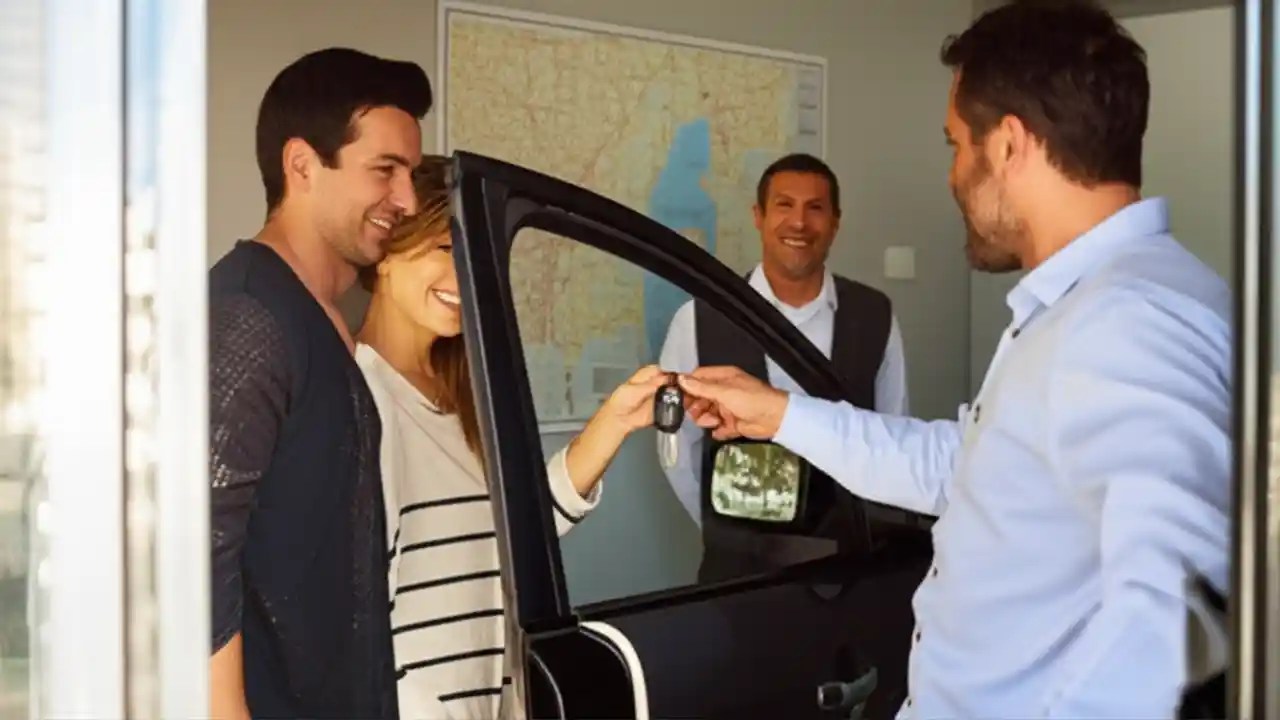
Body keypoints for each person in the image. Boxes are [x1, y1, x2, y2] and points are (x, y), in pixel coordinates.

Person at [676, 1, 1231, 717]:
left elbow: (1185, 630)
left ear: (1008, 146)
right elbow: (957, 466)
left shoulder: (1132, 322)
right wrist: (778, 414)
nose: (953, 175)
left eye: (956, 145)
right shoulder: (1077, 309)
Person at [354, 154, 669, 720]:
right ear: (384, 256)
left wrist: (616, 419)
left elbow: (517, 536)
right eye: (443, 249)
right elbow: (346, 608)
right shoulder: (360, 397)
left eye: (470, 255)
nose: (461, 277)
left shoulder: (460, 392)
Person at [207, 48, 431, 719]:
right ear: (302, 164)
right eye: (385, 171)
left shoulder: (328, 316)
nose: (408, 200)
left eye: (411, 175)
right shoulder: (247, 315)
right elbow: (193, 550)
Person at [656, 152, 910, 581]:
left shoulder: (875, 315)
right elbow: (678, 452)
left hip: (850, 572)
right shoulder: (698, 319)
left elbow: (893, 434)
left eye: (815, 208)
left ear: (835, 222)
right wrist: (727, 535)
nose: (799, 223)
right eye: (784, 205)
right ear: (758, 215)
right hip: (736, 578)